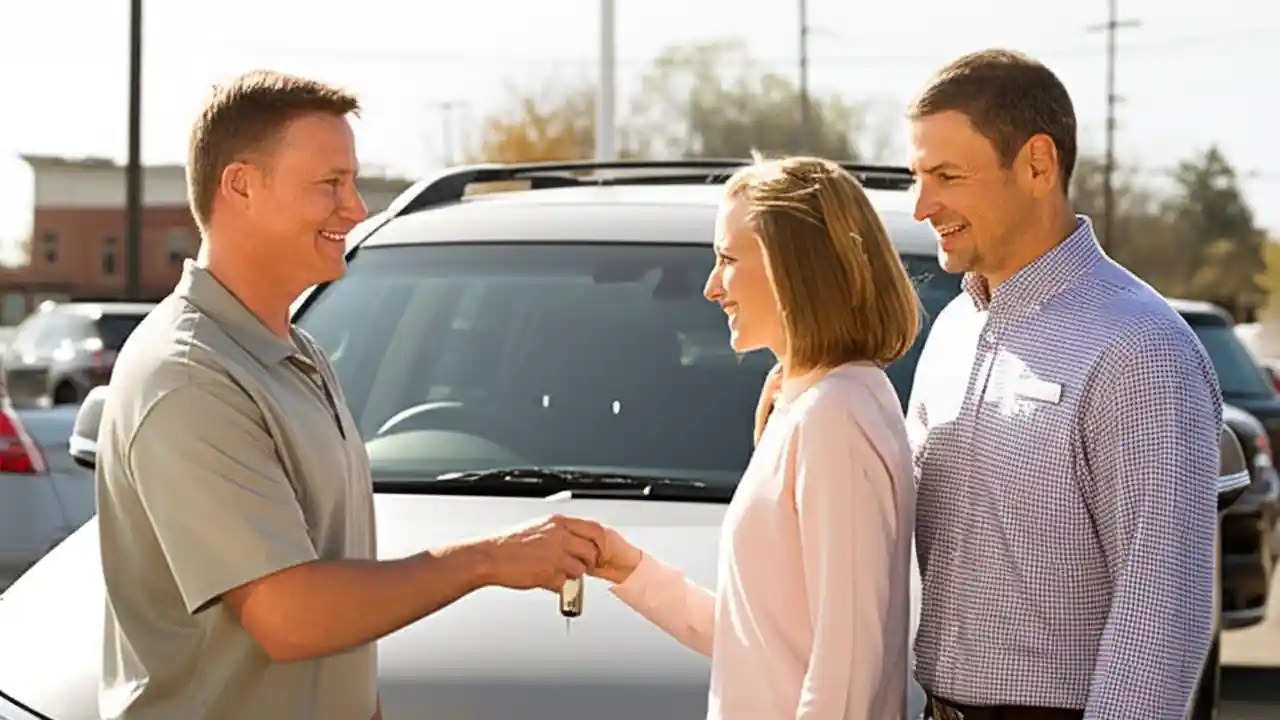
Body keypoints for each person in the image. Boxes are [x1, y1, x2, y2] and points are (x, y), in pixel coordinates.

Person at [93, 70, 604, 720]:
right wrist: (487, 561)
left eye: (352, 182)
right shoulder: (190, 376)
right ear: (241, 186)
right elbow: (290, 618)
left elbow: (330, 627)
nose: (356, 208)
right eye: (330, 184)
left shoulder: (296, 353)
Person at [900, 50, 1220, 718]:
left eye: (947, 176)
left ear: (1039, 165)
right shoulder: (953, 329)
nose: (922, 205)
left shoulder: (1142, 349)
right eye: (918, 177)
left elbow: (1161, 605)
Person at [586, 155, 922, 719]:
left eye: (727, 260)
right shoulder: (810, 403)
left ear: (794, 269)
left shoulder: (836, 416)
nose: (712, 288)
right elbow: (760, 641)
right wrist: (630, 569)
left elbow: (846, 673)